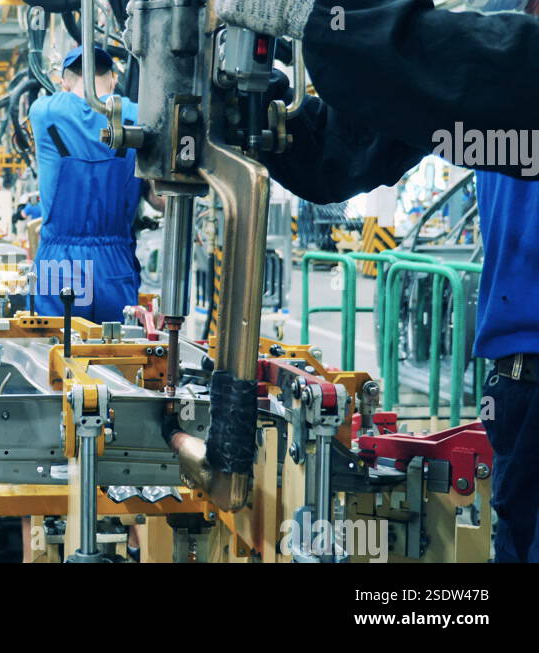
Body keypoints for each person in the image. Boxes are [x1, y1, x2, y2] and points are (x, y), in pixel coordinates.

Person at [218, 0, 539, 561]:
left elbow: (491, 72)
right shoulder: (496, 27)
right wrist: (240, 101)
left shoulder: (498, 61)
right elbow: (351, 149)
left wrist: (318, 19)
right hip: (517, 386)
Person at [28, 45, 154, 324]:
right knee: (117, 354)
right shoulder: (138, 116)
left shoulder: (43, 112)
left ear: (63, 82)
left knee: (56, 351)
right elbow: (161, 201)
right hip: (114, 264)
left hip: (58, 263)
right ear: (113, 79)